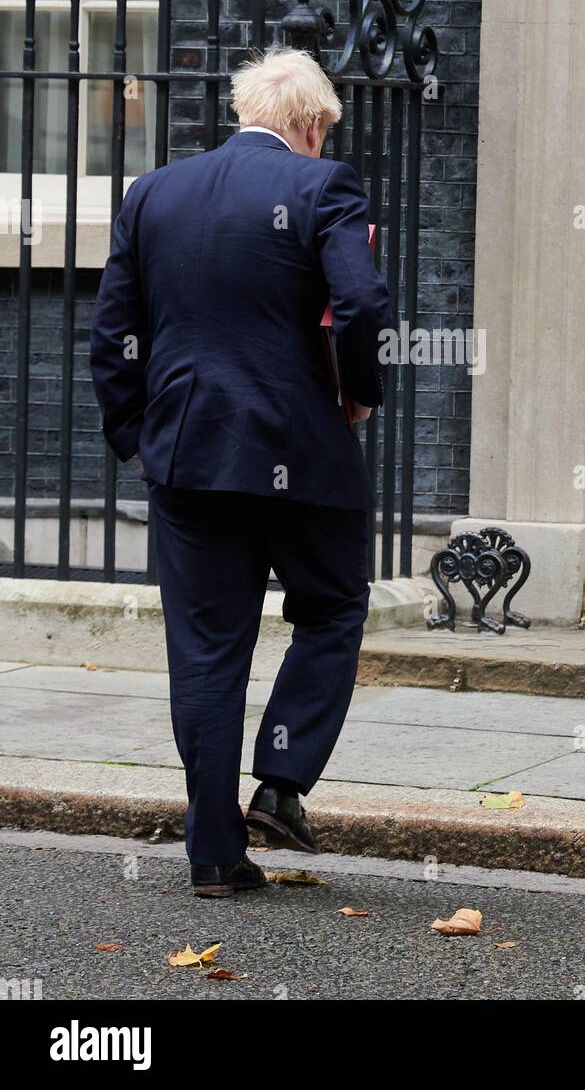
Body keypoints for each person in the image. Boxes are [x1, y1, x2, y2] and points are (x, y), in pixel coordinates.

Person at [90, 48, 392, 898]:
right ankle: (281, 783)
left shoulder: (154, 194)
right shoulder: (323, 184)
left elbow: (114, 332)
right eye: (325, 129)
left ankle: (214, 857)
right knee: (332, 608)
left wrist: (137, 436)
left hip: (189, 457)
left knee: (208, 651)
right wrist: (359, 397)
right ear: (311, 122)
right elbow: (362, 305)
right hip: (302, 449)